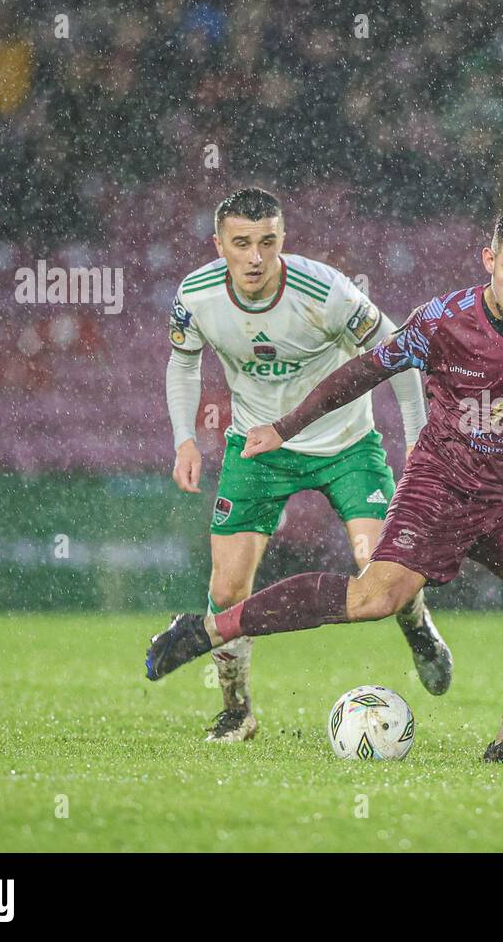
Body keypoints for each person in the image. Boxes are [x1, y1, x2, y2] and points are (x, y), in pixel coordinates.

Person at [149, 202, 503, 763]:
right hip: (438, 489)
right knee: (374, 598)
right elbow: (365, 370)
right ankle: (209, 629)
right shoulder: (441, 319)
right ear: (489, 260)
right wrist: (286, 426)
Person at [164, 187, 450, 743]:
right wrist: (184, 440)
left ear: (282, 241)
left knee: (379, 569)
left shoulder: (326, 291)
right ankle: (236, 708)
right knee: (225, 591)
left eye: (267, 242)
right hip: (256, 449)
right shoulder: (195, 295)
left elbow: (403, 352)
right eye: (241, 243)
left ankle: (415, 623)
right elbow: (183, 362)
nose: (254, 256)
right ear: (218, 243)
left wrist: (419, 439)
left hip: (346, 446)